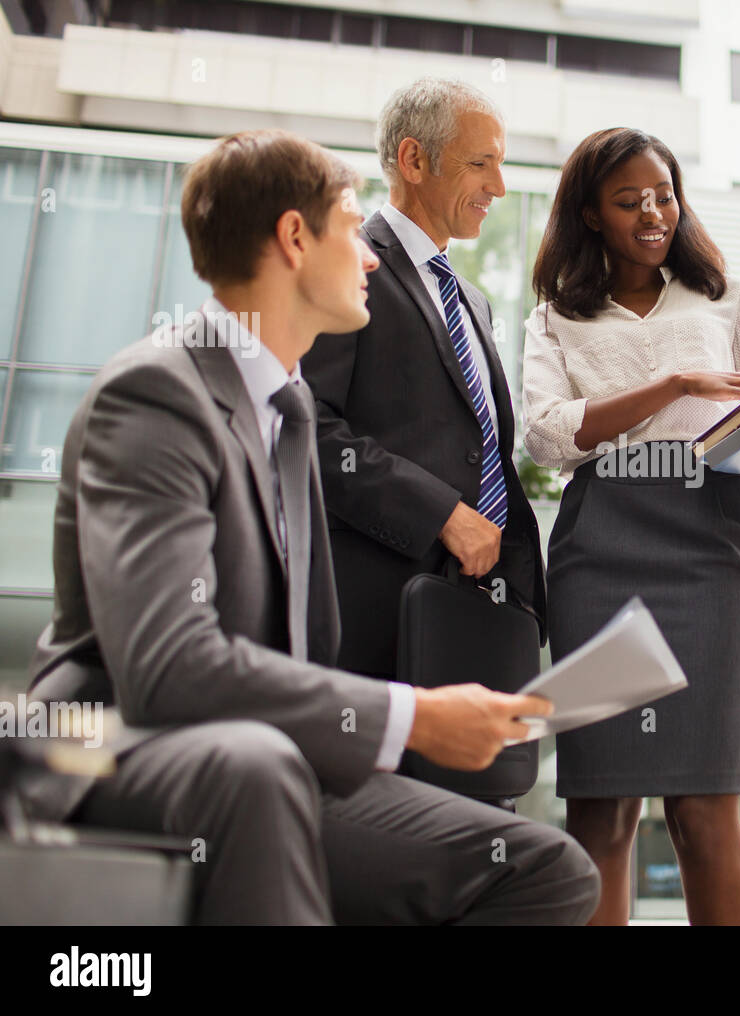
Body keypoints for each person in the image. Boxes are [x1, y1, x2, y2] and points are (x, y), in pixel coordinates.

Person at [19, 128, 599, 925]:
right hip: (111, 751)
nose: (370, 258)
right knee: (256, 770)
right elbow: (167, 672)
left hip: (262, 757)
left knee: (547, 870)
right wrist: (418, 716)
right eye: (355, 229)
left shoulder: (288, 412)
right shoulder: (156, 397)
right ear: (294, 238)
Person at [522, 127, 740, 925]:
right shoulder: (556, 317)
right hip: (601, 547)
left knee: (705, 801)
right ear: (590, 215)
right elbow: (548, 436)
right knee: (601, 804)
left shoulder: (728, 297)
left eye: (664, 194)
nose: (653, 212)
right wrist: (670, 386)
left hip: (715, 543)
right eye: (629, 201)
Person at [301, 78, 547, 708]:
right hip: (381, 616)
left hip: (479, 611)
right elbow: (307, 426)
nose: (497, 187)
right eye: (479, 164)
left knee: (486, 796)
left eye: (501, 165)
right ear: (413, 160)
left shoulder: (472, 301)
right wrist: (438, 513)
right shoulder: (348, 266)